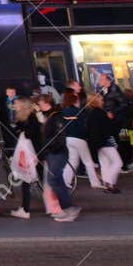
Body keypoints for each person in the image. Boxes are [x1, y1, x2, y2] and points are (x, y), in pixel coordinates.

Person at [36, 94, 81, 222]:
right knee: (57, 180)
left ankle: (69, 209)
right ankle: (67, 208)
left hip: (56, 153)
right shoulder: (50, 116)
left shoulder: (56, 116)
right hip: (53, 153)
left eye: (40, 102)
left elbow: (58, 136)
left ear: (46, 102)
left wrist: (50, 149)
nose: (38, 105)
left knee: (53, 180)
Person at [58, 92, 102, 190]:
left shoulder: (64, 111)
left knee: (73, 161)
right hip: (79, 139)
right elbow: (82, 126)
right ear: (75, 100)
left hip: (68, 138)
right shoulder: (77, 111)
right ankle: (95, 182)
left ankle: (65, 181)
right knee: (88, 161)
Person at [83, 93, 122, 194]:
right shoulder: (100, 113)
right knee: (117, 162)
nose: (103, 101)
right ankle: (109, 182)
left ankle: (106, 183)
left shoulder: (91, 113)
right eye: (101, 99)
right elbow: (106, 129)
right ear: (96, 101)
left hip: (97, 143)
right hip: (105, 141)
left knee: (105, 163)